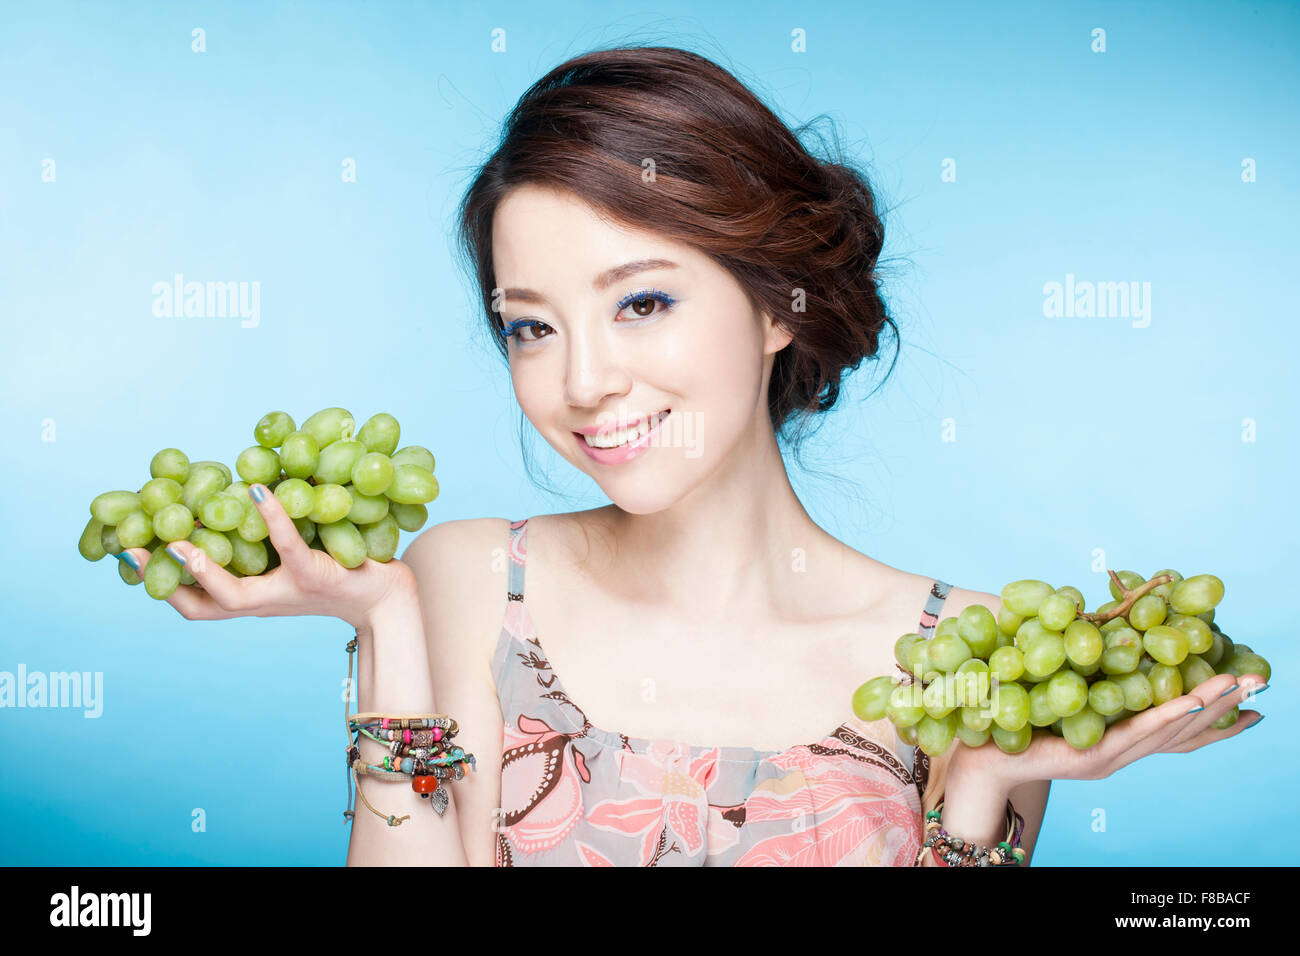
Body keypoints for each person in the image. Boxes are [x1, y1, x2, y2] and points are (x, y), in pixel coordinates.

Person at [123, 45, 1264, 867]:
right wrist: (387, 626)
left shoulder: (963, 657)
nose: (578, 383)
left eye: (643, 302)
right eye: (530, 324)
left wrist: (976, 797)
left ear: (777, 305)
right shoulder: (470, 581)